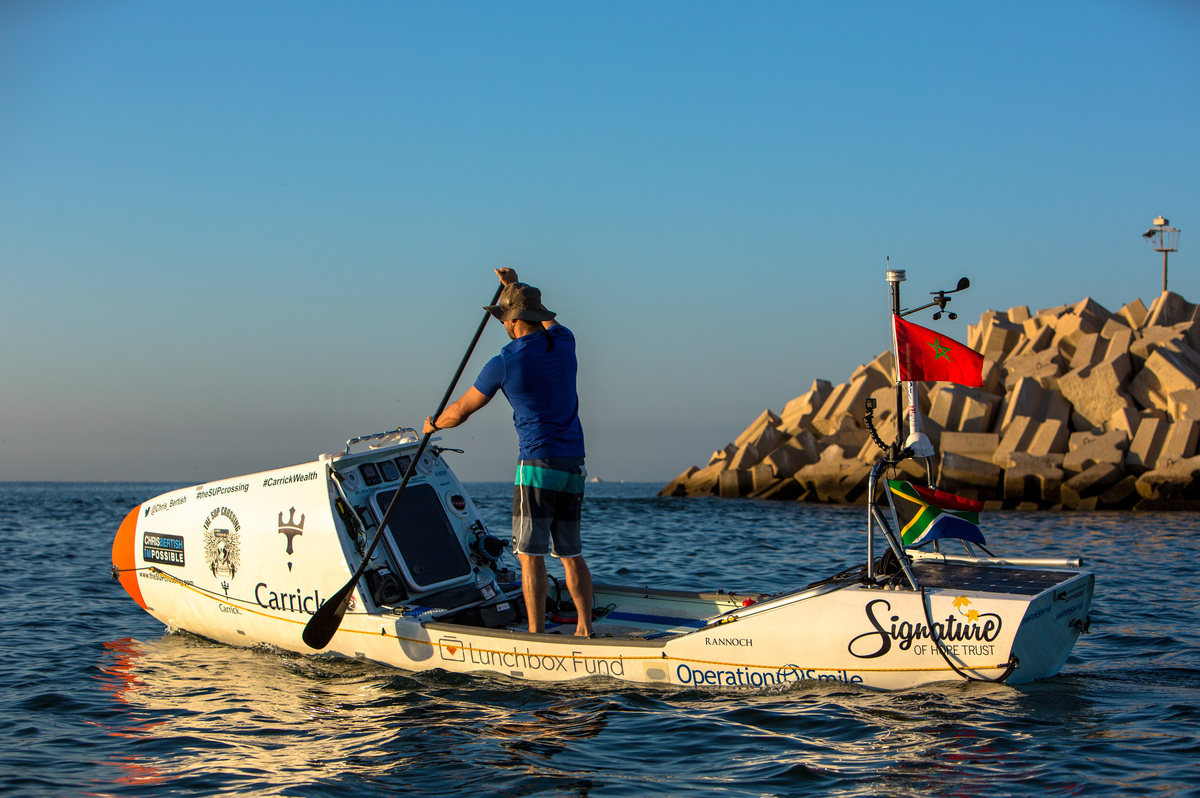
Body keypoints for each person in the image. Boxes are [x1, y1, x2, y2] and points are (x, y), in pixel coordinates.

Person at [424, 268, 593, 637]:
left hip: (536, 464)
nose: (503, 323)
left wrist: (433, 424)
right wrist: (515, 289)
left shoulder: (504, 361)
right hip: (572, 465)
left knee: (529, 555)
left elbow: (462, 411)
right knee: (570, 554)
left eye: (504, 316)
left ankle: (536, 633)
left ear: (513, 320)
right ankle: (584, 628)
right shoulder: (564, 342)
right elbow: (550, 321)